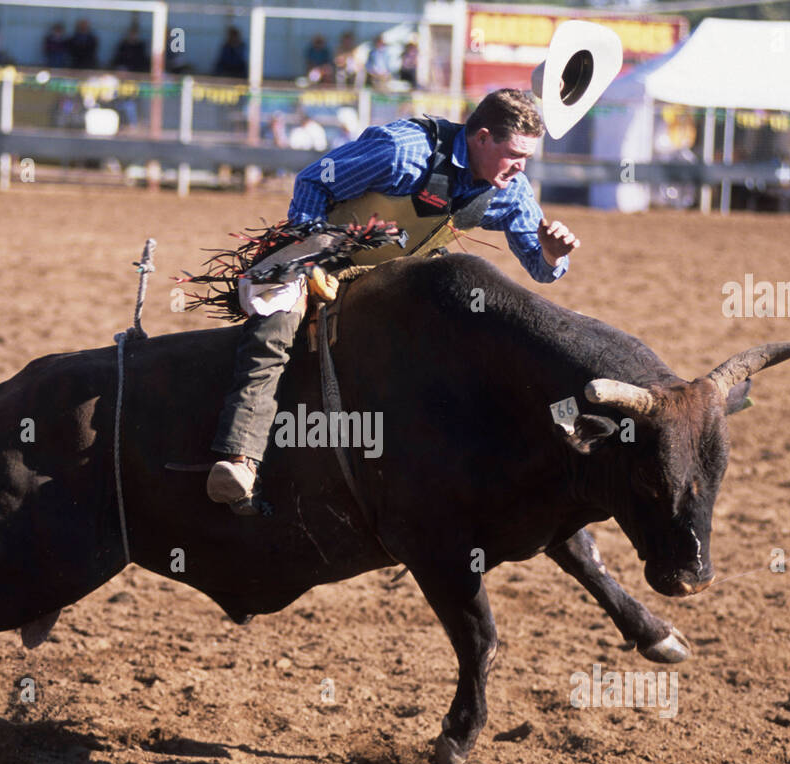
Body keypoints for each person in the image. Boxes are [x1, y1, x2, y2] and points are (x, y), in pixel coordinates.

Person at [206, 88, 580, 508]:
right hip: (321, 254)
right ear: (482, 137)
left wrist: (550, 253)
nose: (520, 166)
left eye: (527, 156)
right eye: (514, 153)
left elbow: (539, 265)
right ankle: (240, 460)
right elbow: (314, 179)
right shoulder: (401, 151)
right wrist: (311, 254)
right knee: (274, 329)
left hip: (396, 273)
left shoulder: (510, 189)